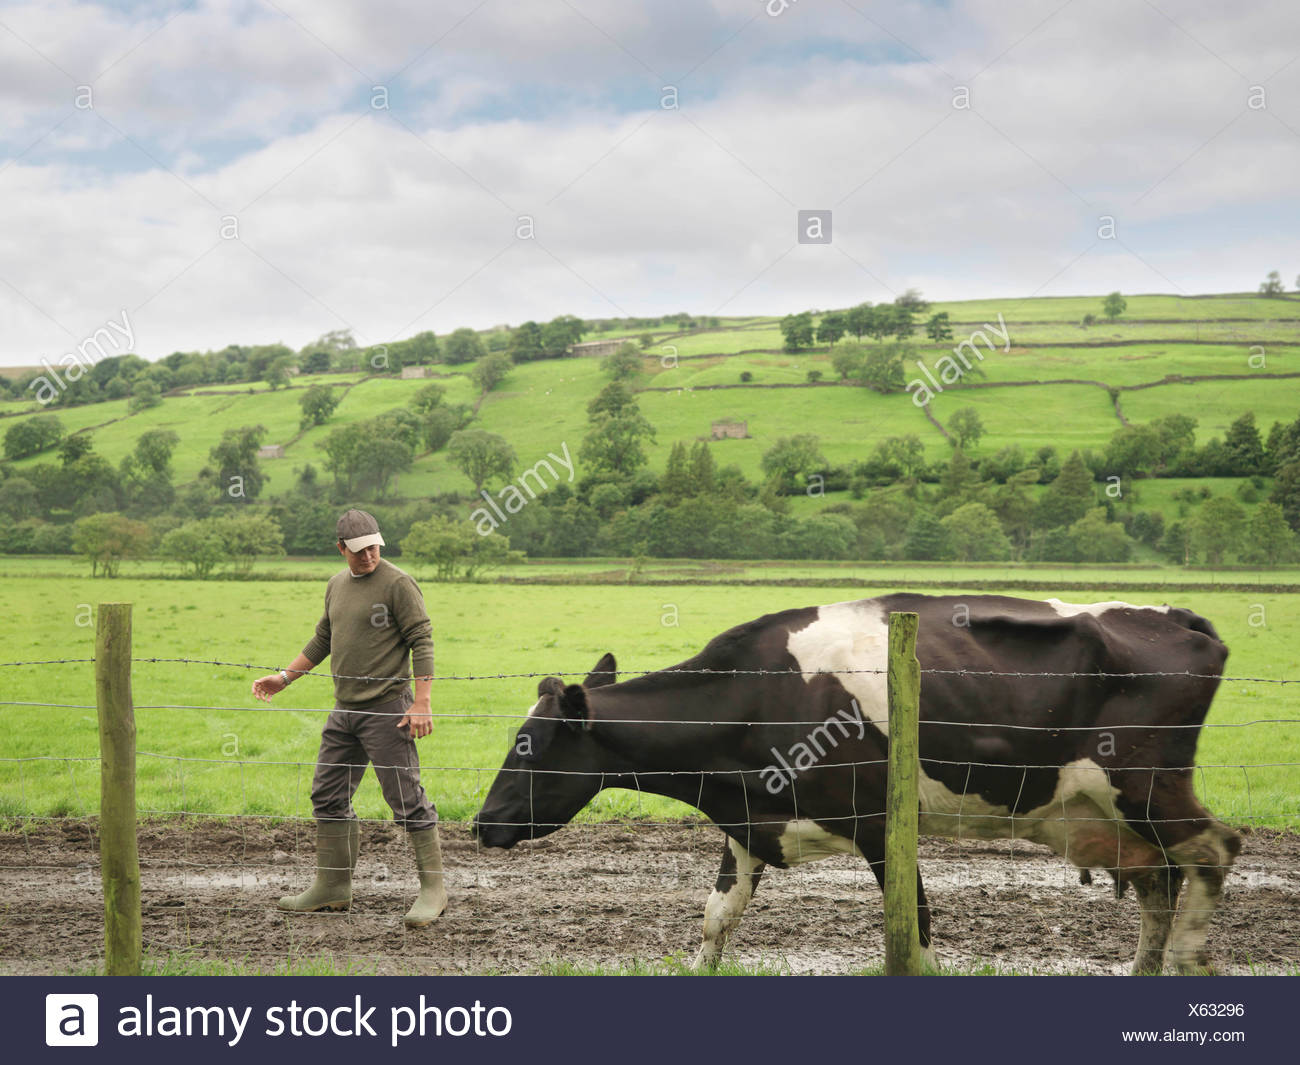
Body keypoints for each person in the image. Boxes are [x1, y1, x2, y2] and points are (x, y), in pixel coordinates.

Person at [252, 508, 447, 927]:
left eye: (375, 547)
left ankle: (434, 891)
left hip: (388, 709)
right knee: (327, 795)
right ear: (341, 548)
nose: (369, 556)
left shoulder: (398, 583)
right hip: (345, 710)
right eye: (359, 551)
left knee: (407, 801)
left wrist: (422, 701)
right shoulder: (336, 585)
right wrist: (285, 677)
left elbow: (422, 639)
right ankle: (333, 887)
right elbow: (325, 637)